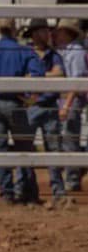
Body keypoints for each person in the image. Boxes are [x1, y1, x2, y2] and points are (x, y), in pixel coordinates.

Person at [0, 18, 44, 204]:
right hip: (14, 103)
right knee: (24, 148)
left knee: (0, 151)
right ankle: (28, 193)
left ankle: (6, 194)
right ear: (14, 29)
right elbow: (39, 73)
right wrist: (29, 95)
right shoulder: (23, 51)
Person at [24, 19, 66, 202]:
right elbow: (56, 73)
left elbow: (60, 74)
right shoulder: (28, 53)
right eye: (43, 31)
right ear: (35, 33)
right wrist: (48, 75)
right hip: (33, 106)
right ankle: (28, 191)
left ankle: (57, 191)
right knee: (26, 150)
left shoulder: (53, 54)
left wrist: (36, 76)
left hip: (47, 106)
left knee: (53, 150)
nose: (48, 34)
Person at [53, 19, 86, 193]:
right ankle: (73, 174)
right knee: (67, 137)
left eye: (59, 31)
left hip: (71, 100)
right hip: (66, 99)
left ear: (67, 33)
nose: (56, 34)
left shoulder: (76, 52)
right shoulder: (66, 51)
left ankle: (73, 179)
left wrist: (67, 104)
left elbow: (77, 80)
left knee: (70, 137)